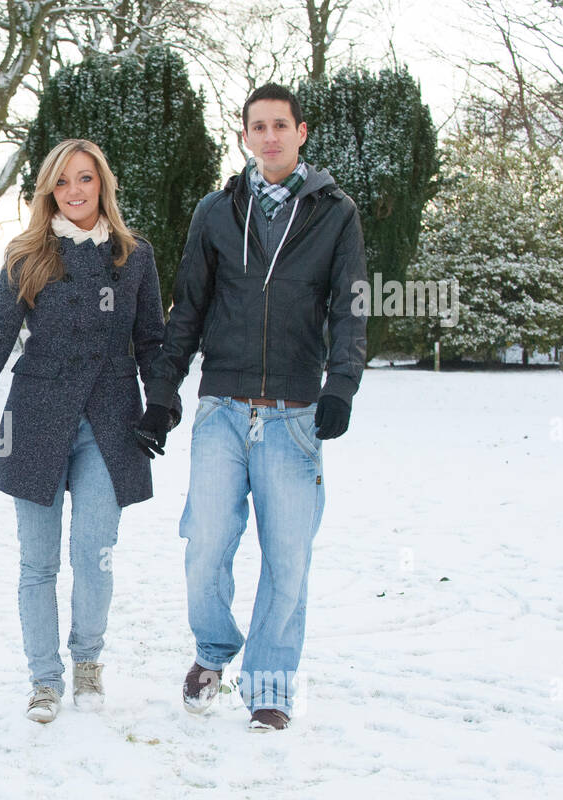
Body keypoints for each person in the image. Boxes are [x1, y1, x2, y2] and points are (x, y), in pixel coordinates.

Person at [134, 83, 368, 732]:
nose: (269, 136)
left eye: (280, 126)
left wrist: (341, 385)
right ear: (243, 136)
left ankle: (269, 684)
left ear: (301, 133)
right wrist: (162, 395)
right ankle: (213, 652)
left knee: (288, 558)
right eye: (257, 127)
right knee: (205, 544)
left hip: (294, 416)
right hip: (222, 412)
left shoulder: (334, 214)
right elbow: (187, 313)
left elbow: (350, 307)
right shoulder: (217, 211)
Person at [0, 139, 167, 723]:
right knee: (37, 563)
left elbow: (153, 341)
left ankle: (87, 663)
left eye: (85, 179)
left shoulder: (135, 258)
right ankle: (44, 680)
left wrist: (162, 404)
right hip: (35, 421)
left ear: (102, 183)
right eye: (62, 182)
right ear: (48, 191)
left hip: (111, 423)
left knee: (94, 554)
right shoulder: (27, 254)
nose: (75, 191)